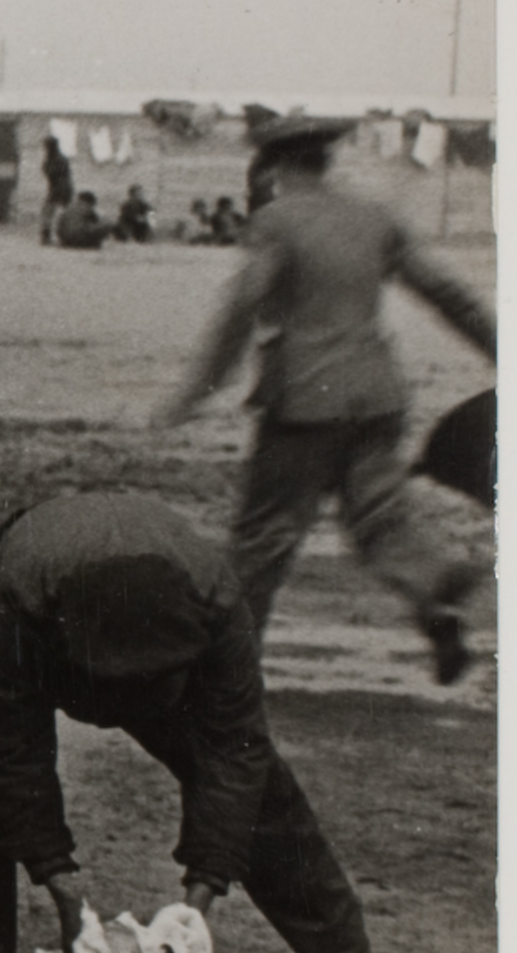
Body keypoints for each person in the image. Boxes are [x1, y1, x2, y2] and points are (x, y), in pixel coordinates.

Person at [0, 494, 406, 953]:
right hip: (36, 624)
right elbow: (7, 755)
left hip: (164, 652)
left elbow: (236, 760)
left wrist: (194, 910)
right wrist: (65, 892)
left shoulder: (219, 606)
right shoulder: (19, 602)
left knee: (262, 786)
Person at [158, 116, 494, 682]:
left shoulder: (277, 221)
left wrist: (198, 389)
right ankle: (435, 583)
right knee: (380, 520)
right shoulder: (372, 216)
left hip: (305, 399)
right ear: (326, 160)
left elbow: (243, 306)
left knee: (264, 536)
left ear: (273, 166)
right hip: (378, 395)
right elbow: (448, 293)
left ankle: (224, 670)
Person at [39, 132, 75, 245]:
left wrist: (45, 166)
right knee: (65, 212)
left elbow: (49, 173)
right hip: (65, 187)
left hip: (57, 188)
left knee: (48, 212)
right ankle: (67, 235)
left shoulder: (53, 159)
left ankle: (47, 236)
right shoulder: (61, 158)